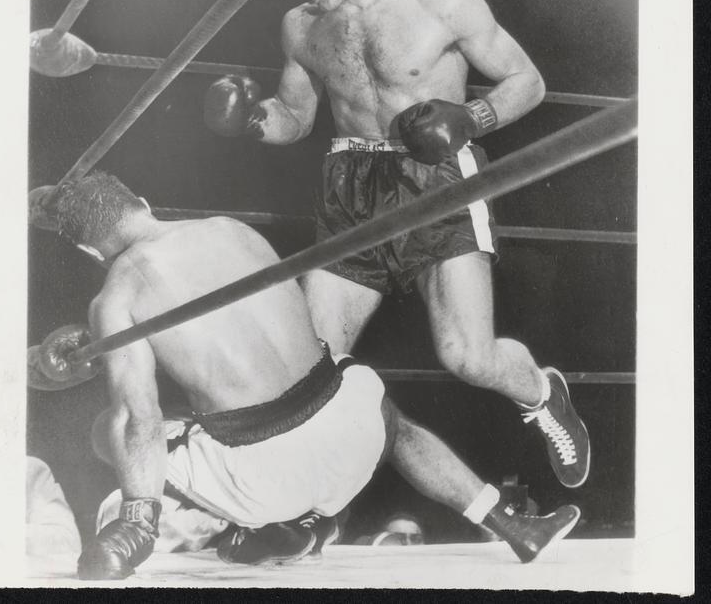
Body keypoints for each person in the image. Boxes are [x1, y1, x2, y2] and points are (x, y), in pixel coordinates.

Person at [202, 0, 590, 490]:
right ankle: (309, 511)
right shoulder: (301, 26)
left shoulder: (442, 0)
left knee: (467, 356)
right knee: (308, 368)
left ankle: (544, 394)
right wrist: (253, 118)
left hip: (437, 180)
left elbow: (526, 81)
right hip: (350, 183)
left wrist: (471, 117)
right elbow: (296, 117)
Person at [33, 172, 580, 580]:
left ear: (88, 250)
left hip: (264, 483)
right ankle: (512, 523)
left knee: (111, 426)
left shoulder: (117, 297)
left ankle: (267, 526)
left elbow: (138, 419)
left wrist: (135, 521)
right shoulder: (231, 230)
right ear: (144, 205)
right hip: (357, 438)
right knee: (366, 397)